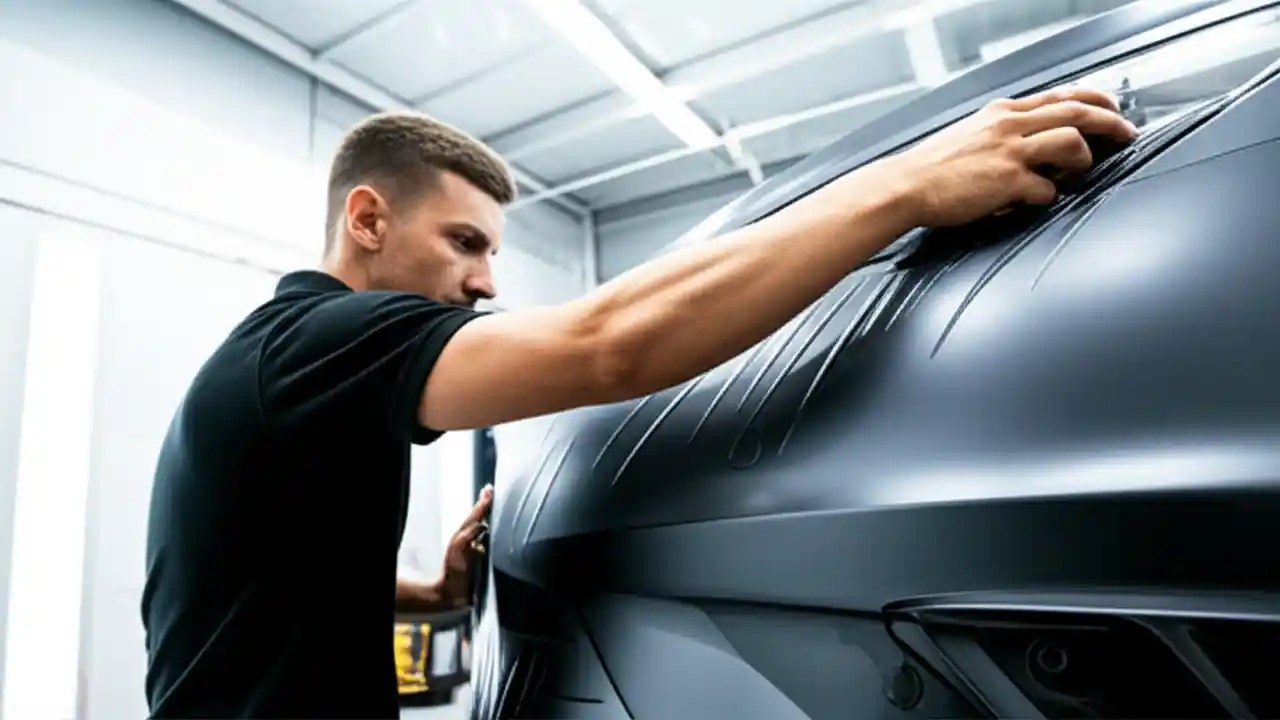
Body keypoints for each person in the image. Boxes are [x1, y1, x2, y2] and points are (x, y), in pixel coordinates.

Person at [140, 86, 1137, 718]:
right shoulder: (315, 342)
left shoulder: (284, 370)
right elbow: (610, 346)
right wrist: (903, 187)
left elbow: (256, 588)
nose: (487, 279)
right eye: (464, 243)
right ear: (366, 218)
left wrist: (430, 596)